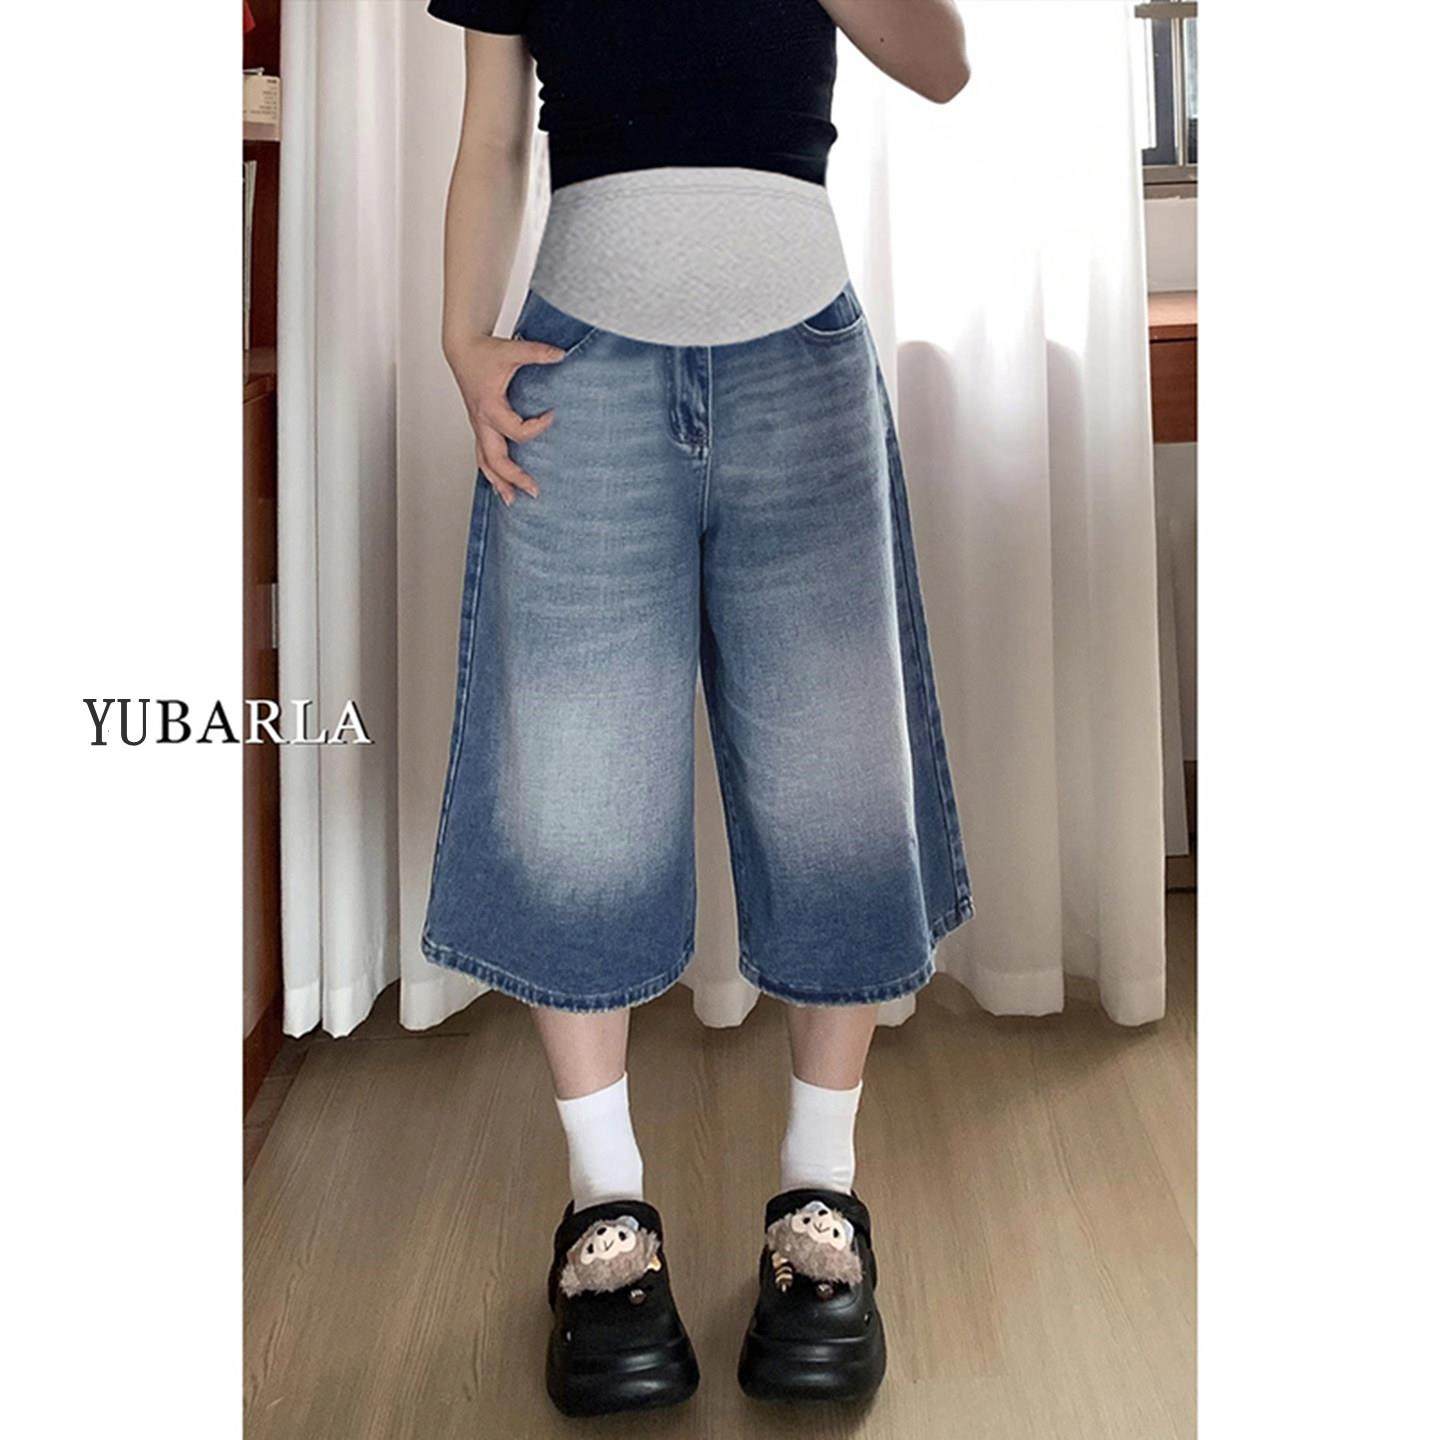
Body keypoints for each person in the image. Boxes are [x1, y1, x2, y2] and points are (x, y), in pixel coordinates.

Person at [423, 0, 973, 1416]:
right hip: (579, 375)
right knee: (579, 786)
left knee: (836, 781)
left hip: (801, 362)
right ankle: (604, 1211)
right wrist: (461, 338)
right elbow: (494, 140)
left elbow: (942, 63)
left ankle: (821, 1197)